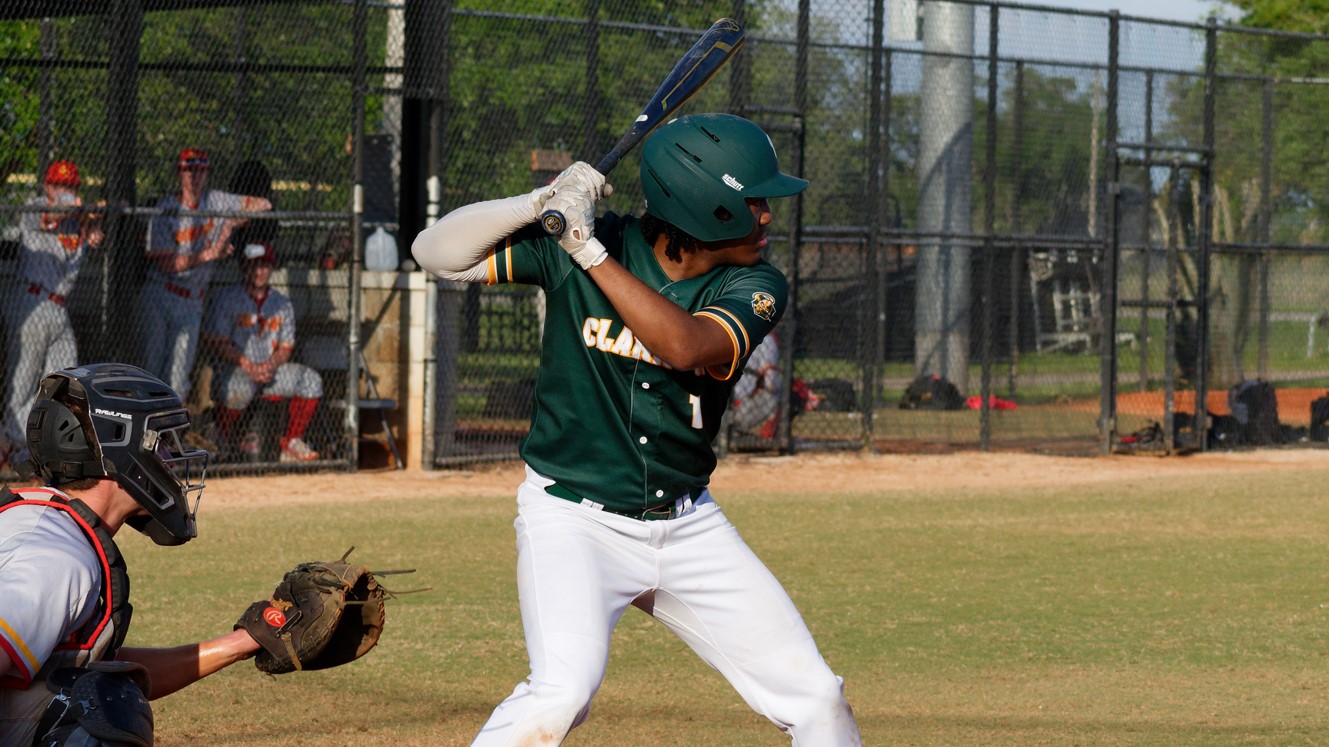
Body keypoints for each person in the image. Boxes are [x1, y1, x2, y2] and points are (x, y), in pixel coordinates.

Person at [412, 113, 862, 745]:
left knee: (818, 698)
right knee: (560, 694)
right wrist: (538, 203)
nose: (766, 216)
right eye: (753, 201)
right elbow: (433, 253)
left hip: (687, 526)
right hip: (574, 520)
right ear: (712, 209)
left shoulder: (753, 281)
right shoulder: (582, 242)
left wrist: (586, 252)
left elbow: (685, 346)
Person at [0, 363, 261, 744]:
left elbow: (92, 667)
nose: (173, 458)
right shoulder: (57, 555)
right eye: (163, 442)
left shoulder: (50, 523)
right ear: (121, 447)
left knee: (104, 689)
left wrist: (244, 642)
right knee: (101, 712)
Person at [141, 147, 273, 403]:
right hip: (161, 294)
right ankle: (142, 436)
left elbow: (263, 204)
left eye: (201, 170)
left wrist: (230, 223)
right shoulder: (166, 209)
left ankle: (166, 436)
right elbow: (167, 264)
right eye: (189, 170)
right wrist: (207, 254)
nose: (195, 176)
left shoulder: (215, 201)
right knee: (152, 370)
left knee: (178, 377)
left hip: (192, 301)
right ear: (180, 174)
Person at [1, 160, 104, 471]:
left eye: (71, 186)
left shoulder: (77, 221)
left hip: (61, 309)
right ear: (47, 187)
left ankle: (45, 447)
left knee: (66, 380)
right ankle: (13, 448)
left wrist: (94, 225)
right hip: (31, 301)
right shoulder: (35, 207)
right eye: (60, 186)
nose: (66, 193)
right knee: (22, 384)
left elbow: (93, 235)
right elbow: (55, 214)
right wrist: (84, 207)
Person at [201, 242, 323, 463]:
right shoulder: (227, 299)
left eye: (264, 266)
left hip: (270, 371)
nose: (259, 272)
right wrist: (249, 366)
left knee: (311, 380)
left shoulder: (281, 303)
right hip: (236, 367)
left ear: (272, 268)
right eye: (253, 266)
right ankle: (221, 437)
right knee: (240, 388)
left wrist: (271, 365)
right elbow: (217, 343)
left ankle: (292, 442)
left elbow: (286, 346)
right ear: (243, 268)